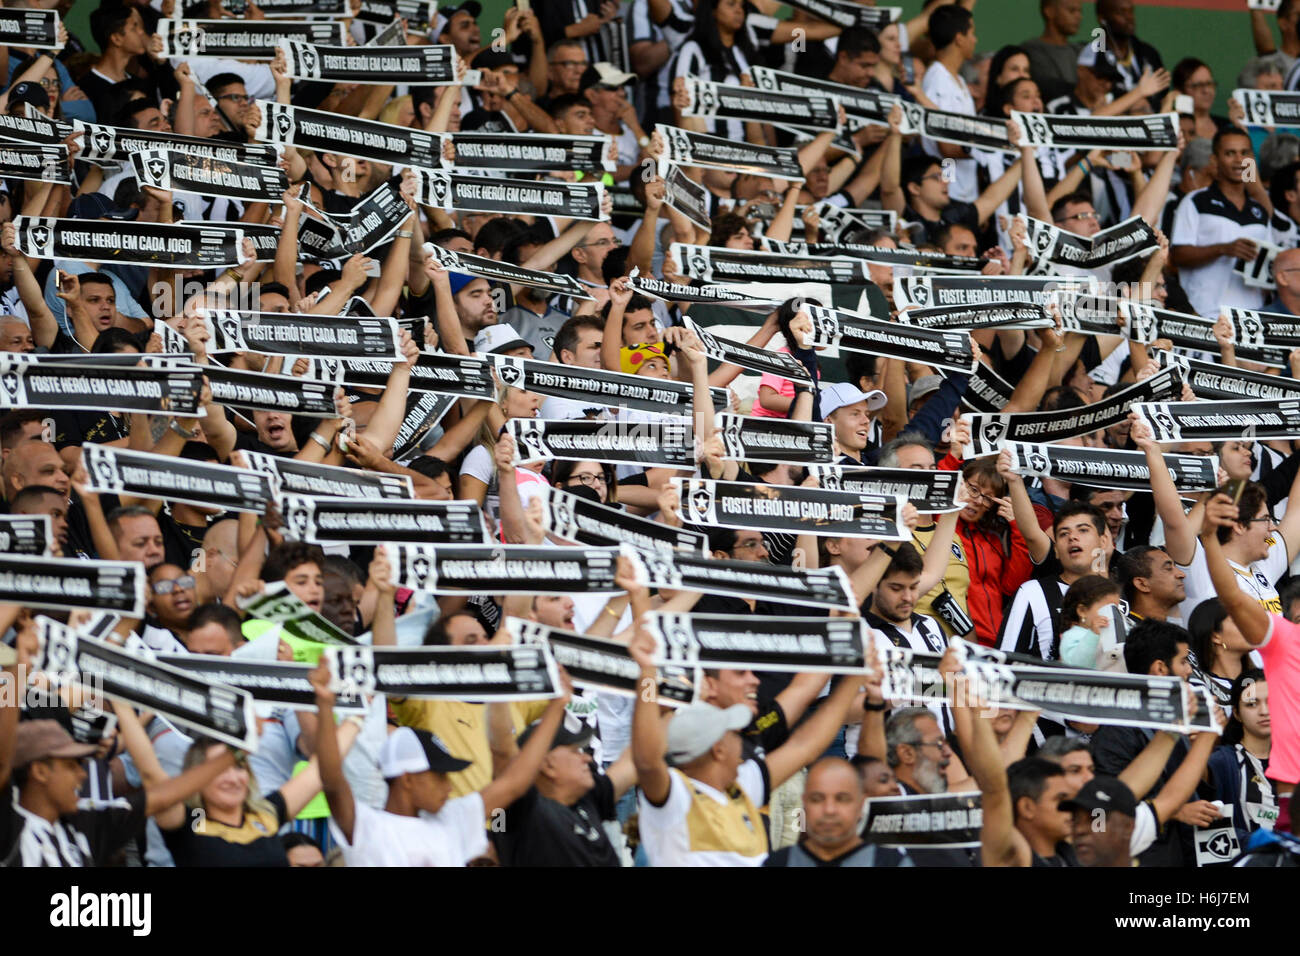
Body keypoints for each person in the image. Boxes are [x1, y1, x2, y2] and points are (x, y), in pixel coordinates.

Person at [763, 758, 912, 867]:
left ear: (860, 805)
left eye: (842, 799)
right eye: (817, 799)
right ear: (804, 805)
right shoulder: (778, 863)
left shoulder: (892, 863)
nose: (829, 810)